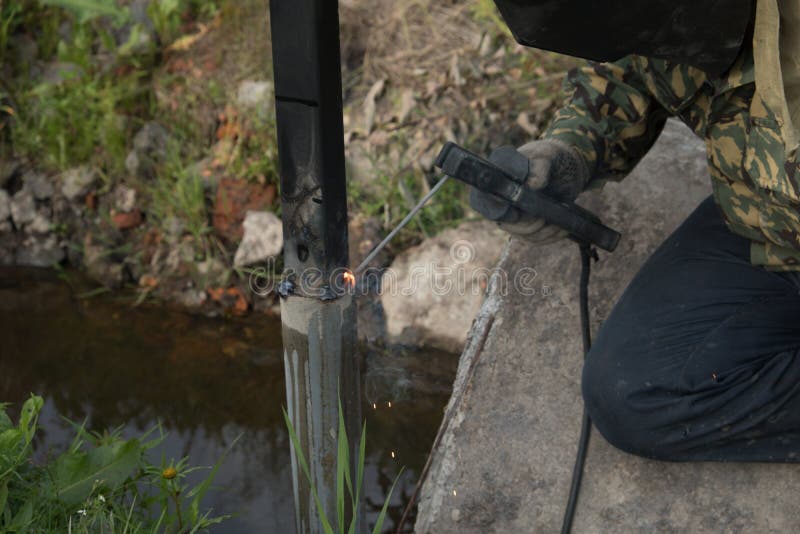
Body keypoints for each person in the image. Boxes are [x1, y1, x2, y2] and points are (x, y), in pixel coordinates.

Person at [479, 0, 800, 461]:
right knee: (630, 393)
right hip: (763, 225)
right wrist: (568, 154)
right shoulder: (670, 17)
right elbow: (630, 68)